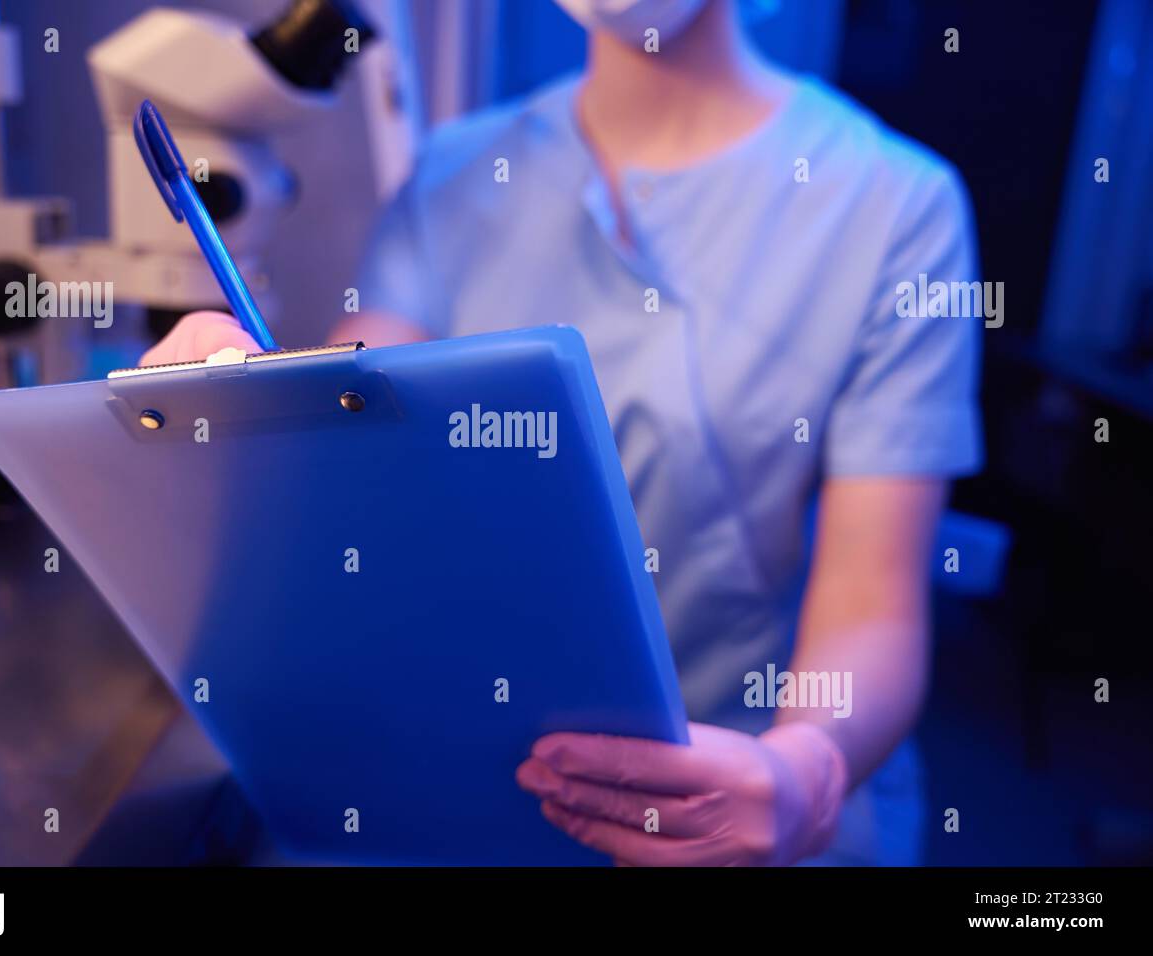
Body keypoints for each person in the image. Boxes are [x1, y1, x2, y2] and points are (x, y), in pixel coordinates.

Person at [142, 0, 981, 865]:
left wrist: (809, 767)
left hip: (734, 781)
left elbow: (873, 603)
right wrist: (238, 425)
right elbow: (354, 434)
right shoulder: (454, 177)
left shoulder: (895, 208)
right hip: (471, 772)